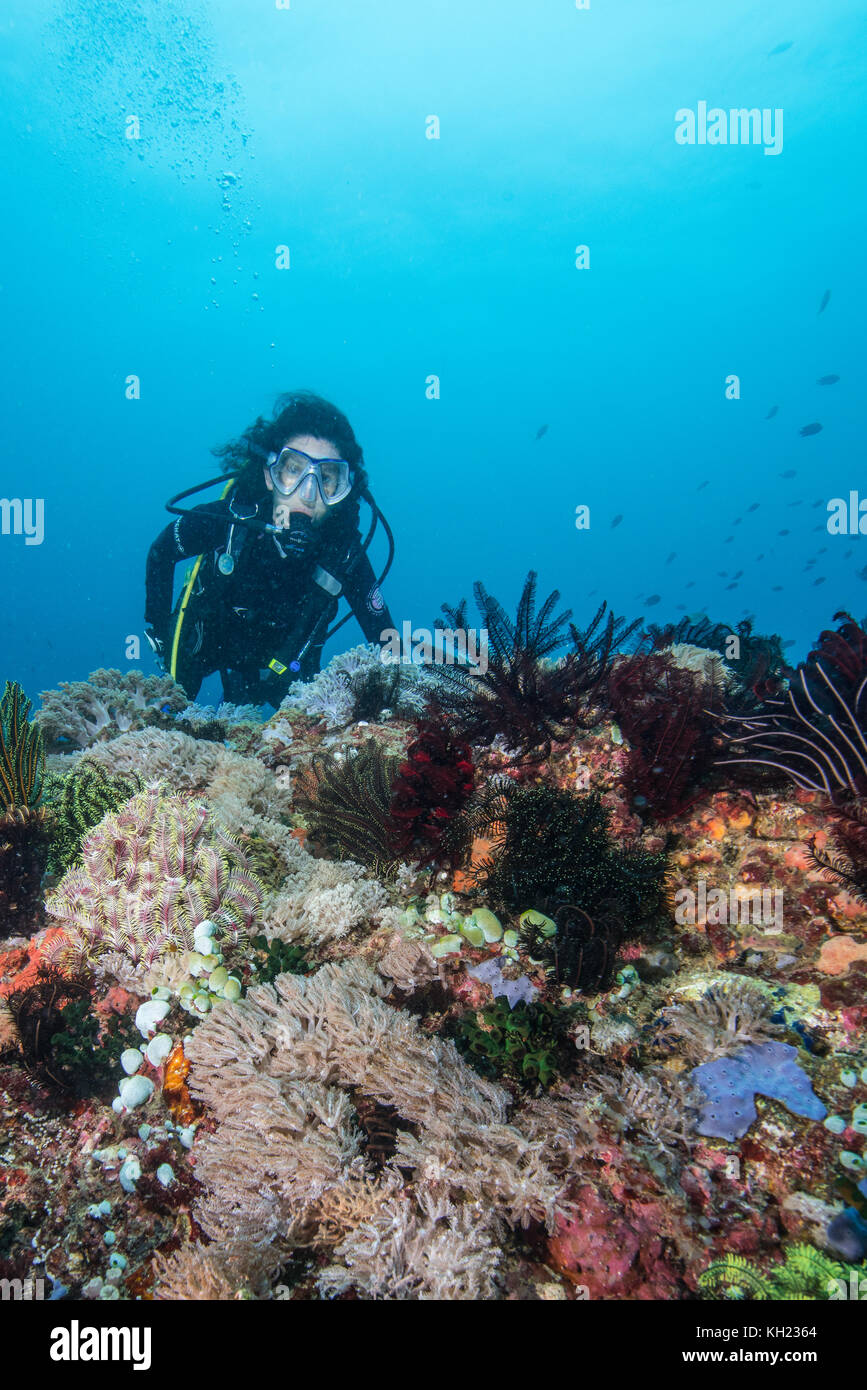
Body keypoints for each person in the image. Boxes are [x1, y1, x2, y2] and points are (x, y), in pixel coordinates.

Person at [145, 391, 395, 706]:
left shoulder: (343, 555)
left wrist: (401, 698)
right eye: (294, 469)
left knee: (302, 741)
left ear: (343, 490)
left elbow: (386, 640)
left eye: (327, 478)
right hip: (208, 642)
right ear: (269, 473)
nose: (307, 493)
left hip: (288, 662)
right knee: (171, 715)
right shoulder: (231, 519)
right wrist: (158, 626)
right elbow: (161, 550)